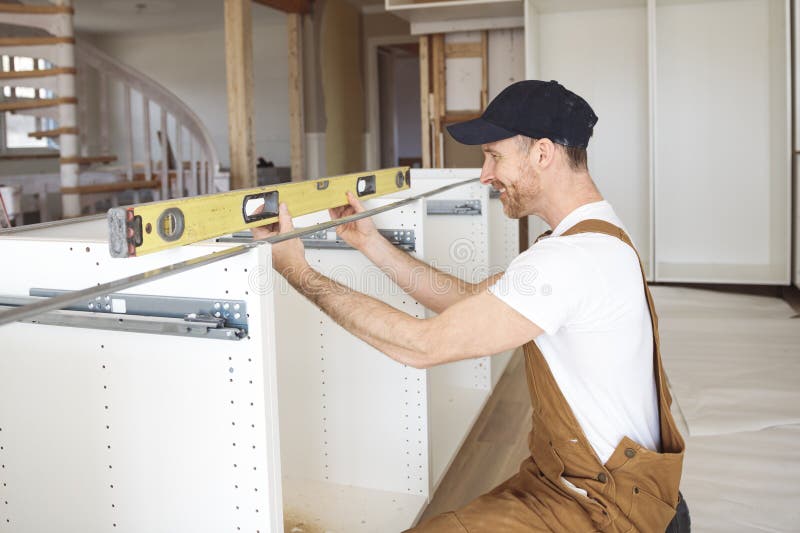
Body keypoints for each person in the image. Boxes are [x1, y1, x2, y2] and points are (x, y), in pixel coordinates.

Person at [253, 80, 689, 532]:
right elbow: (468, 302)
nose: (484, 174)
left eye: (494, 155)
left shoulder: (570, 260)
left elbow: (421, 346)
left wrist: (298, 272)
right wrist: (371, 244)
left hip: (604, 511)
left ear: (542, 153)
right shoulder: (590, 238)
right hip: (572, 486)